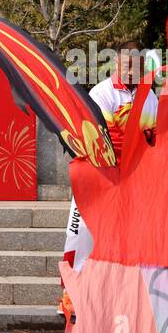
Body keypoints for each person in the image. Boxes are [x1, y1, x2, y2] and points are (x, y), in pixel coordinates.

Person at [60, 42, 161, 315]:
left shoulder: (149, 97)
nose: (131, 70)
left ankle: (123, 300)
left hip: (130, 180)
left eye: (137, 65)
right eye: (126, 64)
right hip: (94, 177)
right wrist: (137, 138)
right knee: (81, 236)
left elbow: (153, 137)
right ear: (117, 63)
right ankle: (72, 295)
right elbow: (106, 139)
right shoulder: (100, 93)